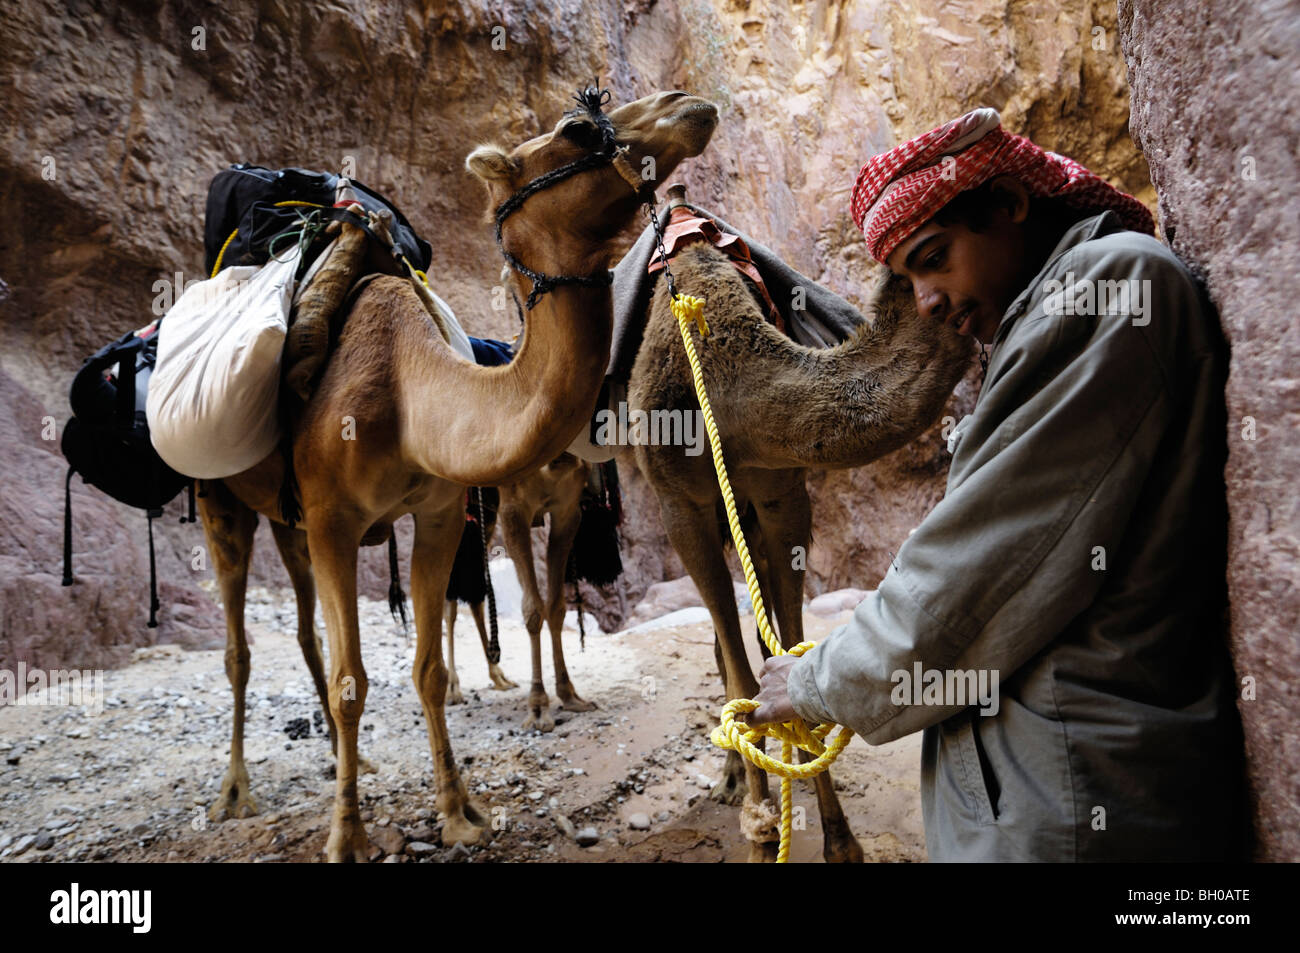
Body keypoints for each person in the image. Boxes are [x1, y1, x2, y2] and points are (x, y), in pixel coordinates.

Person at [747, 108, 1248, 862]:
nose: (927, 302)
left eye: (935, 257)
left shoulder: (1109, 288)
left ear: (1011, 202)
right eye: (913, 278)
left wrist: (820, 679)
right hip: (1050, 786)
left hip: (1073, 805)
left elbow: (986, 567)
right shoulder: (1055, 312)